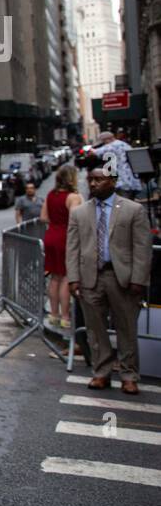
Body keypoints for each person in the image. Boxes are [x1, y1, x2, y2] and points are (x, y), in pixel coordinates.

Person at [66, 166, 152, 395]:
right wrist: (73, 278)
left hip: (121, 278)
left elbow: (142, 248)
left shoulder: (133, 210)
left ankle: (129, 375)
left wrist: (138, 279)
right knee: (95, 330)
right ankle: (101, 372)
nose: (93, 184)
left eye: (99, 180)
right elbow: (72, 248)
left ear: (112, 182)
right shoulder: (80, 212)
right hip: (90, 279)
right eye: (91, 180)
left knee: (126, 328)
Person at [41, 164, 82, 331]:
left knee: (54, 277)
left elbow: (43, 217)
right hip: (66, 238)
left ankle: (54, 315)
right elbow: (76, 218)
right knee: (66, 277)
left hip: (51, 235)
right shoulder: (74, 197)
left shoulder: (51, 194)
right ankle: (65, 317)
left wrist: (56, 223)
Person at [89, 130, 142, 199]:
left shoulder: (112, 146)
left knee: (122, 205)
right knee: (130, 204)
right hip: (132, 181)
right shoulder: (125, 145)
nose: (104, 144)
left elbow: (93, 152)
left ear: (107, 140)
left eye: (104, 142)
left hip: (122, 182)